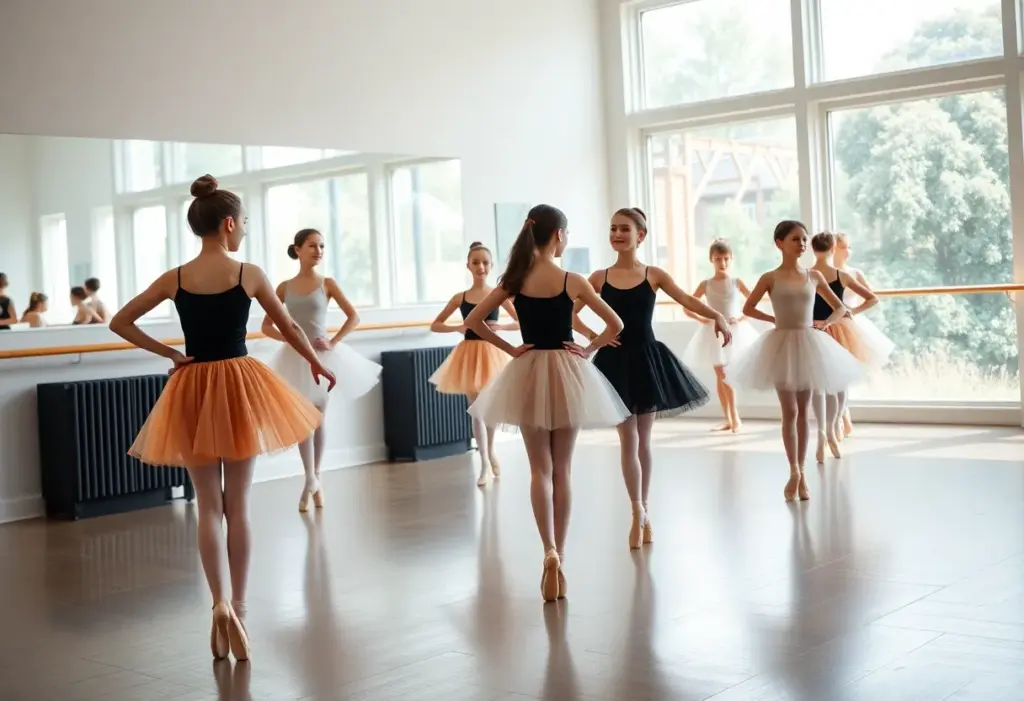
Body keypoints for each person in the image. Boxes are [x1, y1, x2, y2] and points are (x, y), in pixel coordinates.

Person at [110, 174, 336, 661]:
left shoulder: (174, 278)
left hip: (191, 387)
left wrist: (171, 354)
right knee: (239, 505)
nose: (246, 230)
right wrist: (315, 363)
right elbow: (290, 325)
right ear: (229, 224)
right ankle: (241, 607)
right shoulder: (247, 273)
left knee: (208, 506)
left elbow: (119, 320)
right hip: (237, 385)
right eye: (245, 222)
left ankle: (218, 603)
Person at [463, 204, 629, 602]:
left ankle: (548, 550)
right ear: (558, 235)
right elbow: (616, 324)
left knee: (540, 470)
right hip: (567, 370)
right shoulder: (572, 280)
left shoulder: (515, 279)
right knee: (563, 470)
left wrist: (511, 349)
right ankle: (562, 555)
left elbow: (473, 322)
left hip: (529, 368)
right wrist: (588, 348)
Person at [573, 208, 728, 550]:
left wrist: (717, 314)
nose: (617, 234)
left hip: (646, 361)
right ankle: (636, 511)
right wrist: (594, 337)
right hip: (614, 363)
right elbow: (571, 312)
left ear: (640, 236)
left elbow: (686, 299)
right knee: (627, 440)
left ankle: (644, 511)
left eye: (624, 229)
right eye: (613, 228)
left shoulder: (653, 274)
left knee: (643, 441)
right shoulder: (598, 278)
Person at [728, 220, 863, 501]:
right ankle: (793, 471)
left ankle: (802, 471)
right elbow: (748, 307)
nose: (801, 244)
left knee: (804, 411)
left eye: (804, 239)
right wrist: (772, 319)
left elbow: (840, 307)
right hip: (781, 345)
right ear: (779, 243)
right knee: (789, 411)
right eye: (795, 239)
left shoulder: (814, 276)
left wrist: (825, 323)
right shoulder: (770, 277)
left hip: (808, 344)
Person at [262, 227, 382, 511]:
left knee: (317, 419)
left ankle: (316, 477)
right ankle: (310, 479)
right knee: (302, 419)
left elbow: (354, 317)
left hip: (323, 357)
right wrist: (290, 338)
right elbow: (266, 326)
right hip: (294, 358)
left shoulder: (327, 283)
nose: (319, 251)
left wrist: (333, 341)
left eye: (322, 246)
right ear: (298, 250)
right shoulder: (284, 287)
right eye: (313, 246)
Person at [429, 241, 519, 486]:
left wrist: (500, 326)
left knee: (489, 407)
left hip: (492, 353)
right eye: (476, 262)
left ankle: (490, 451)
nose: (481, 267)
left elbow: (520, 321)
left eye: (485, 263)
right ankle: (484, 462)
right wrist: (458, 327)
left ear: (491, 265)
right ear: (468, 266)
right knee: (476, 409)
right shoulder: (461, 297)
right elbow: (436, 324)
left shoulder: (498, 294)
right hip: (469, 354)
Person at [809, 232, 882, 461]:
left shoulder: (807, 275)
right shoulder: (840, 275)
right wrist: (851, 312)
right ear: (832, 249)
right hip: (835, 328)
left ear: (812, 249)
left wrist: (850, 312)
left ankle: (824, 431)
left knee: (818, 385)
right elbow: (872, 298)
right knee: (839, 384)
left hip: (815, 328)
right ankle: (831, 429)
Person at [682, 238, 759, 433]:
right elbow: (687, 306)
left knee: (726, 375)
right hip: (713, 333)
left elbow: (753, 303)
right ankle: (728, 418)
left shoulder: (736, 282)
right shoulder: (706, 284)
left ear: (731, 258)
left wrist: (740, 318)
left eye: (725, 258)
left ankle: (735, 418)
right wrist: (703, 319)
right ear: (711, 260)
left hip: (734, 333)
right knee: (720, 376)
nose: (722, 263)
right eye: (717, 259)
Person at [833, 233, 895, 436]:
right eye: (843, 247)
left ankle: (843, 420)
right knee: (835, 374)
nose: (848, 251)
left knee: (843, 374)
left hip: (850, 326)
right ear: (833, 249)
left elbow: (872, 298)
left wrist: (853, 311)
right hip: (831, 325)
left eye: (849, 247)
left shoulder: (854, 273)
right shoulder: (825, 273)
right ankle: (843, 420)